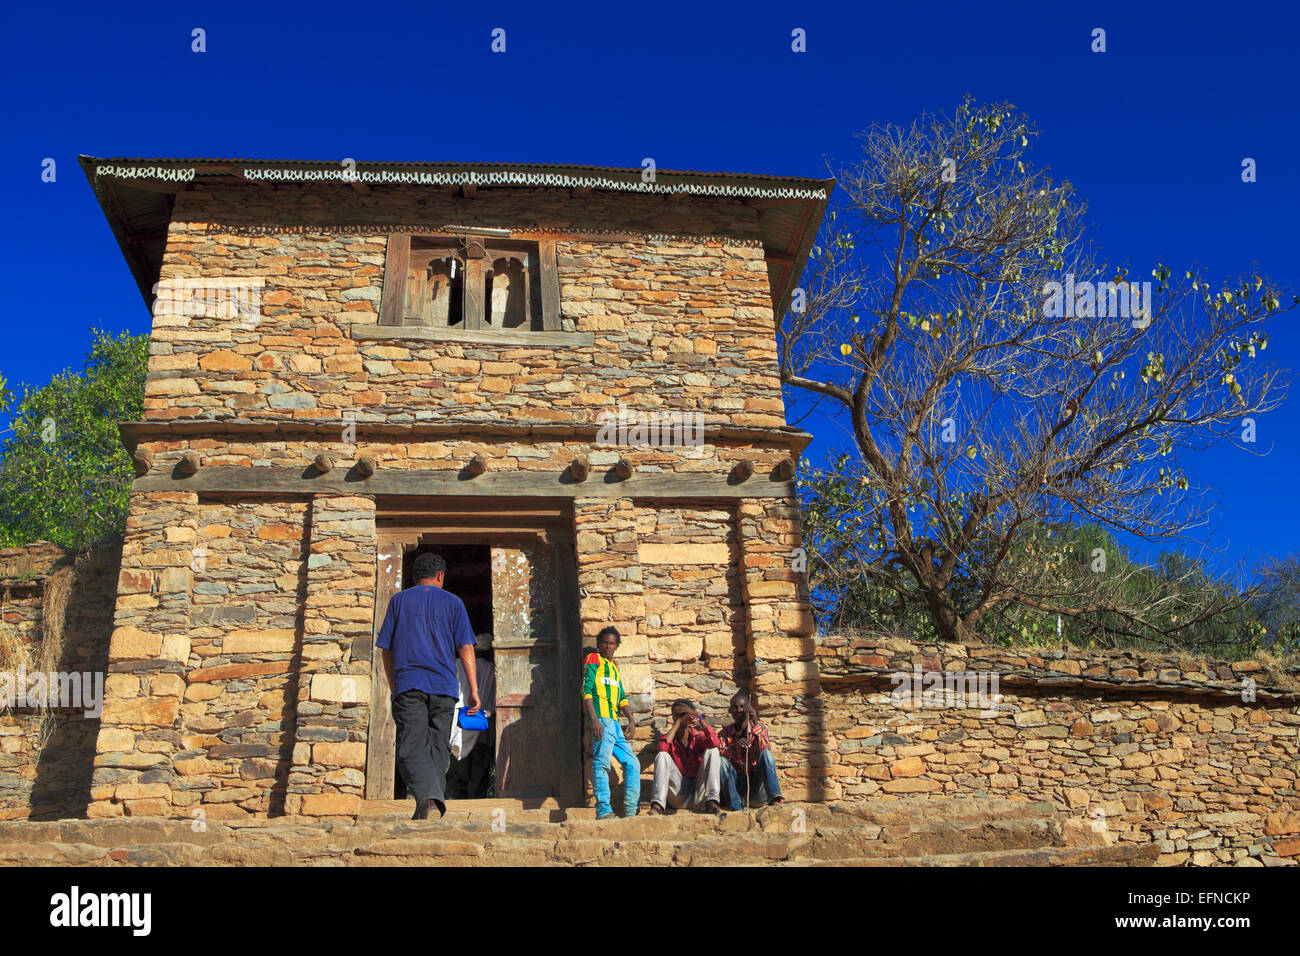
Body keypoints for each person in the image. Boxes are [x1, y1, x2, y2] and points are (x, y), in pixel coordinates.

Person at [377, 552, 479, 820]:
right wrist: (474, 691)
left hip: (409, 685)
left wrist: (393, 684)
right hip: (444, 687)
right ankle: (430, 804)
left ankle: (429, 801)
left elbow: (385, 650)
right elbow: (466, 649)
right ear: (440, 576)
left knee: (412, 745)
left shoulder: (399, 601)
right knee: (437, 745)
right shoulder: (454, 603)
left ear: (414, 577)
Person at [582, 625, 641, 819]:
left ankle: (631, 811)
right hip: (602, 720)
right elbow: (586, 690)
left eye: (612, 643)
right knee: (602, 762)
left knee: (632, 763)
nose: (608, 646)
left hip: (614, 723)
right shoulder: (593, 660)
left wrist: (631, 719)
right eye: (605, 642)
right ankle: (604, 811)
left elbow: (621, 696)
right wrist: (594, 720)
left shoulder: (614, 666)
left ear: (616, 646)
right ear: (599, 644)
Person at [649, 698, 724, 815]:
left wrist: (699, 716)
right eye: (677, 715)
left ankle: (712, 802)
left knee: (712, 751)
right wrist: (678, 722)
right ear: (673, 718)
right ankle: (658, 805)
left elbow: (715, 743)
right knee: (662, 756)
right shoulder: (669, 738)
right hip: (678, 796)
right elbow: (663, 748)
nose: (681, 717)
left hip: (698, 795)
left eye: (684, 714)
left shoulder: (698, 737)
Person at [447, 632, 496, 800]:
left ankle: (456, 799)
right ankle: (477, 799)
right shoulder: (492, 669)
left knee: (458, 764)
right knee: (480, 767)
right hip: (482, 721)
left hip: (459, 721)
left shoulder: (457, 664)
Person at [719, 693, 785, 810]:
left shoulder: (760, 727)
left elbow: (764, 747)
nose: (739, 710)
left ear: (748, 709)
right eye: (735, 707)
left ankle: (775, 797)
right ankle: (736, 807)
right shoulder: (724, 733)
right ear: (730, 711)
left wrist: (754, 722)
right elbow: (720, 756)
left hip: (756, 785)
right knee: (721, 761)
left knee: (766, 754)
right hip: (736, 785)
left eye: (742, 707)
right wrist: (733, 747)